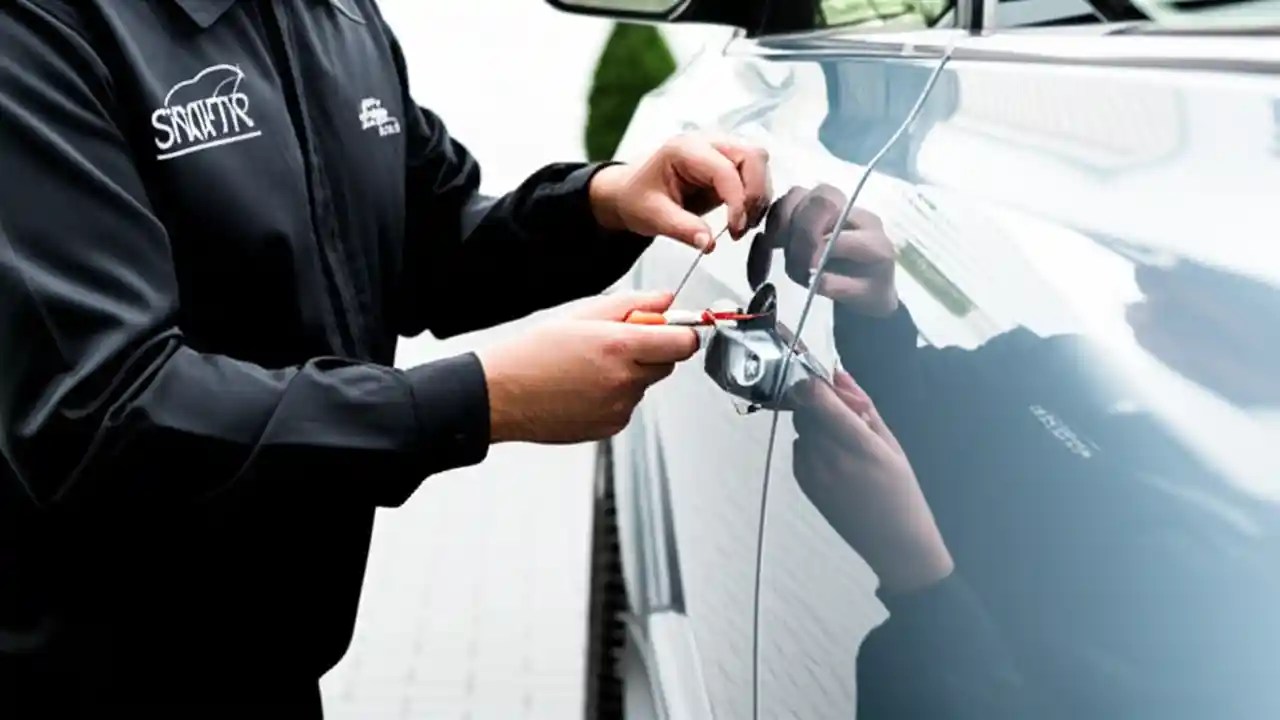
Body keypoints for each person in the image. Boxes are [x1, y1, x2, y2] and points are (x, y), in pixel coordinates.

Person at [0, 1, 771, 715]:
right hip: (83, 676)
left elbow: (425, 238)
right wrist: (482, 400)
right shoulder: (42, 30)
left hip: (274, 669)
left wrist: (602, 203)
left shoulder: (334, 13)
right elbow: (101, 408)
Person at [770, 185, 1280, 719]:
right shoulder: (1076, 370)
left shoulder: (1252, 611)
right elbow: (914, 408)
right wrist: (872, 306)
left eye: (1202, 282)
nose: (1147, 274)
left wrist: (919, 579)